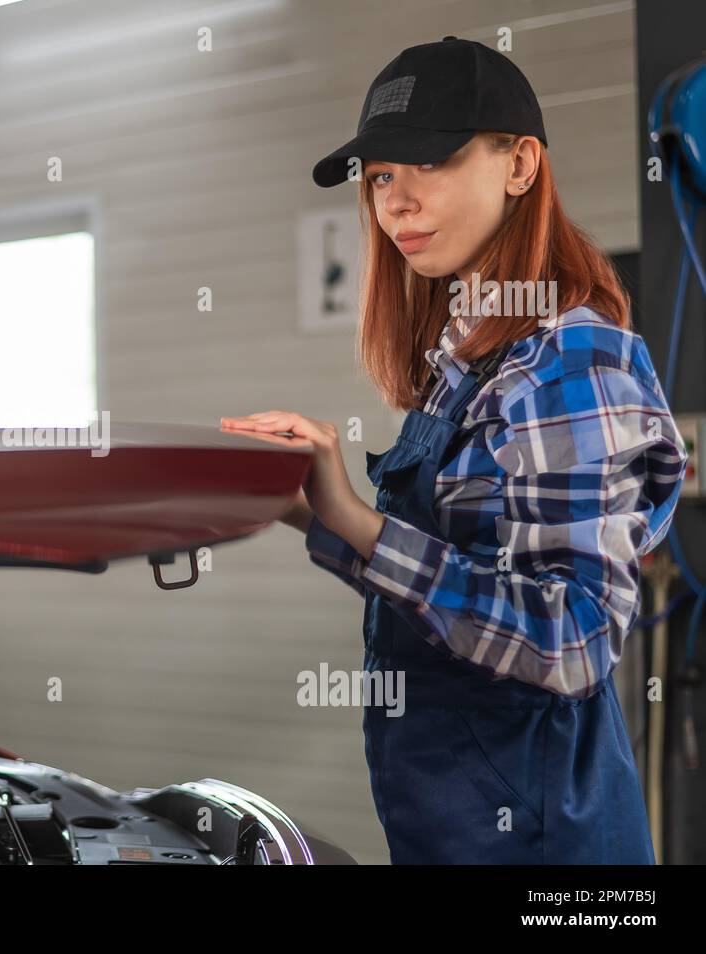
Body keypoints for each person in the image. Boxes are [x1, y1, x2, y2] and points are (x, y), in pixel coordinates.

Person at [221, 36, 688, 864]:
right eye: (380, 178)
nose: (395, 202)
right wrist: (304, 509)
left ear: (520, 165)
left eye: (426, 163)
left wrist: (361, 525)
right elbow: (449, 574)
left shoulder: (569, 358)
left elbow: (573, 639)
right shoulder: (466, 359)